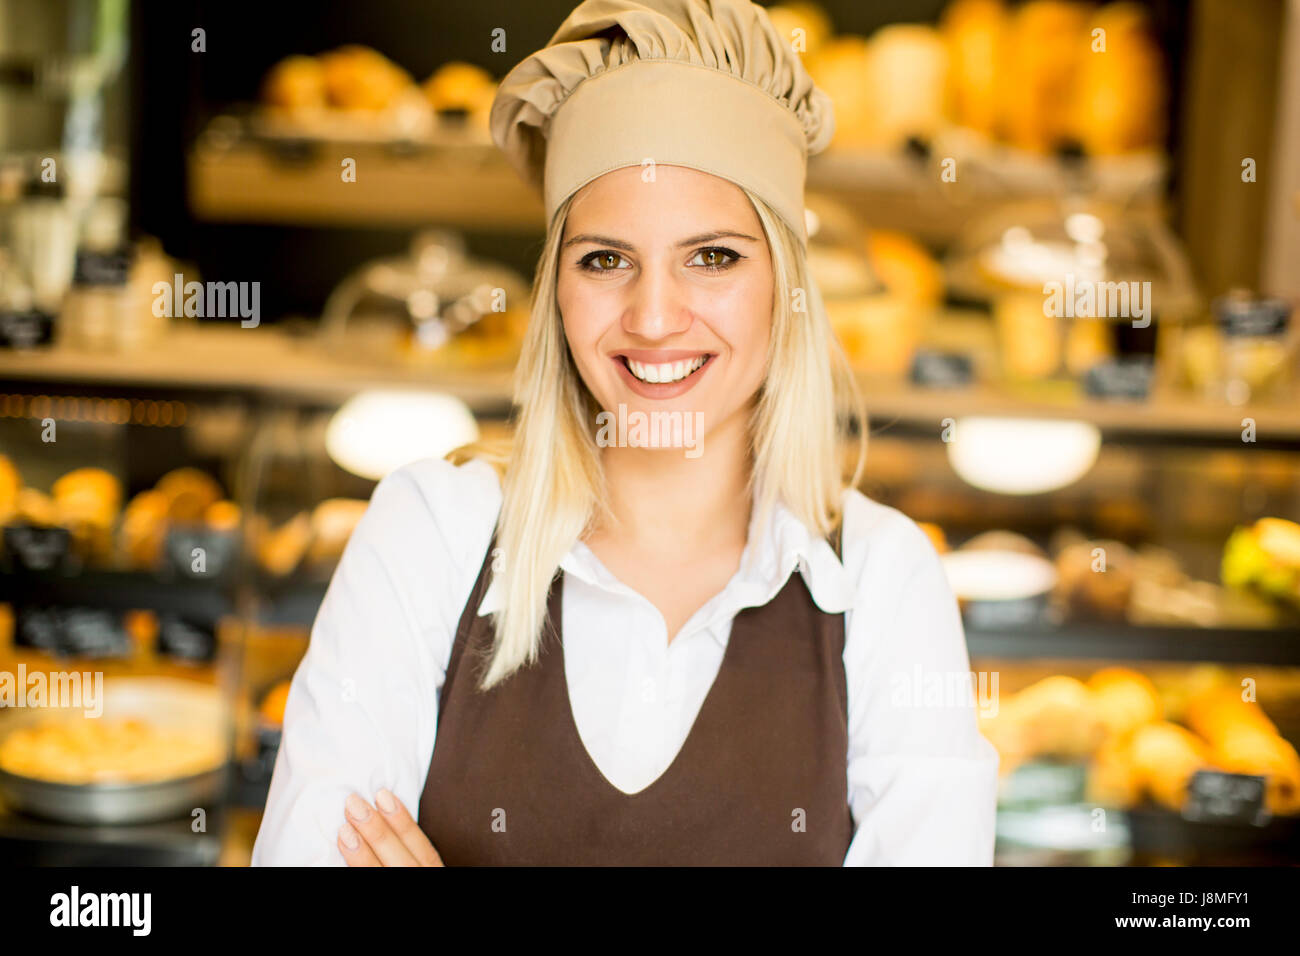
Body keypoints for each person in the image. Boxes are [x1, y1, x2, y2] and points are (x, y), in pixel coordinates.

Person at [252, 0, 999, 867]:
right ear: (556, 292)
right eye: (605, 259)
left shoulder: (882, 585)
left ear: (783, 288)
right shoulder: (429, 535)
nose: (652, 317)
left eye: (712, 256)